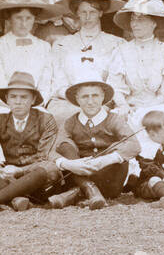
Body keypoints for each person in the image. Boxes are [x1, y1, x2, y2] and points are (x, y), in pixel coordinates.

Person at [0, 72, 61, 216]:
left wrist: (19, 170)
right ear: (7, 99)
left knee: (47, 168)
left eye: (24, 97)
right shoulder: (0, 120)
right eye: (13, 97)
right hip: (7, 178)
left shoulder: (46, 120)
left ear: (33, 100)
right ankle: (17, 199)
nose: (18, 102)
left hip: (37, 181)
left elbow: (43, 159)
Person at [48, 77, 142, 210]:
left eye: (95, 96)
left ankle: (74, 193)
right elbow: (51, 150)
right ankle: (89, 191)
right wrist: (70, 164)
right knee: (64, 145)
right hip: (79, 171)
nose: (90, 102)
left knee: (116, 147)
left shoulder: (114, 120)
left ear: (103, 97)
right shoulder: (70, 122)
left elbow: (134, 145)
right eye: (85, 97)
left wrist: (105, 160)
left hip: (109, 178)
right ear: (77, 99)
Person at [47, 0, 125, 121]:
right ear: (77, 13)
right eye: (83, 12)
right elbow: (57, 82)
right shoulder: (61, 44)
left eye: (92, 12)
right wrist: (75, 97)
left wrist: (99, 100)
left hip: (102, 103)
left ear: (101, 13)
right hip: (66, 103)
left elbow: (116, 82)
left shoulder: (116, 44)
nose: (87, 17)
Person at [0, 0, 56, 118]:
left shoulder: (44, 47)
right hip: (2, 107)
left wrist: (34, 103)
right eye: (18, 18)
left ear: (35, 19)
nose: (24, 23)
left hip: (35, 106)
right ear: (9, 19)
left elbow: (46, 81)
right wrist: (15, 105)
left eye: (28, 18)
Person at [108, 0, 164, 125]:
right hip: (129, 107)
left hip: (159, 106)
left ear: (154, 23)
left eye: (141, 19)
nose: (134, 24)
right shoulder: (121, 51)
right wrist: (123, 105)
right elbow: (115, 87)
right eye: (133, 19)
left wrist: (146, 108)